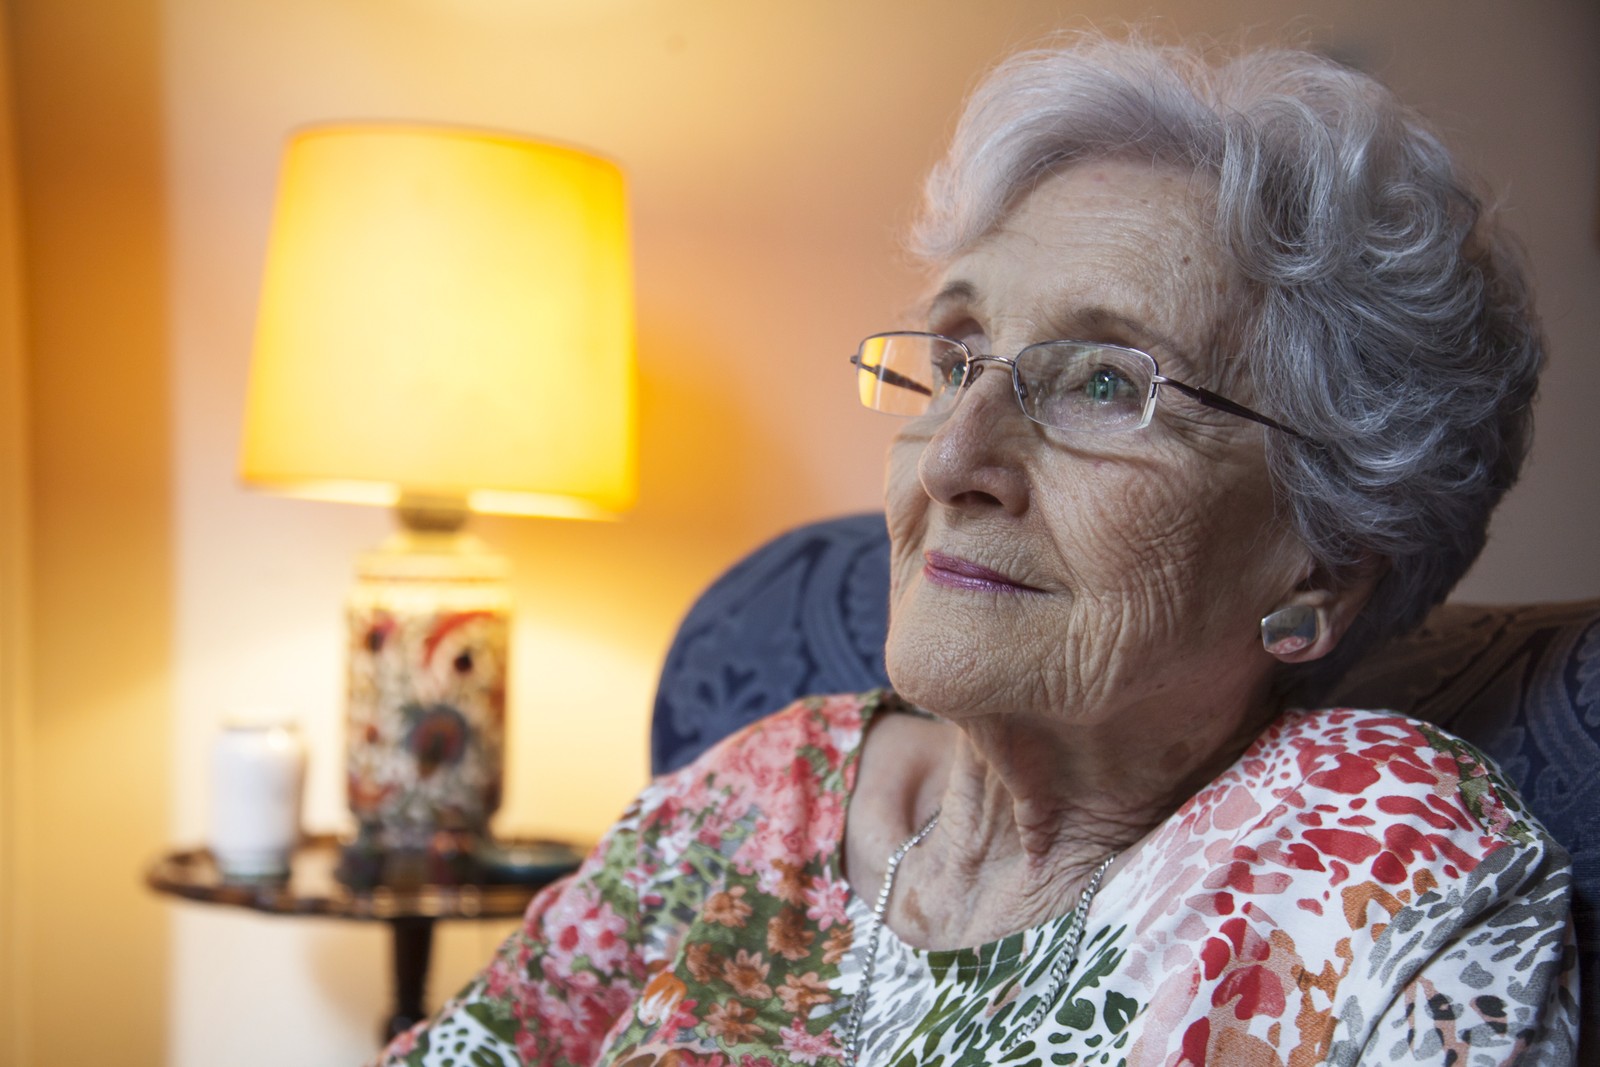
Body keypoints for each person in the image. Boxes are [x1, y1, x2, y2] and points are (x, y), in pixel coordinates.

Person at [375, 34, 1577, 1066]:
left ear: (1323, 561)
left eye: (1104, 383)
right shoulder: (760, 797)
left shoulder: (1372, 850)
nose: (953, 458)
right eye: (955, 359)